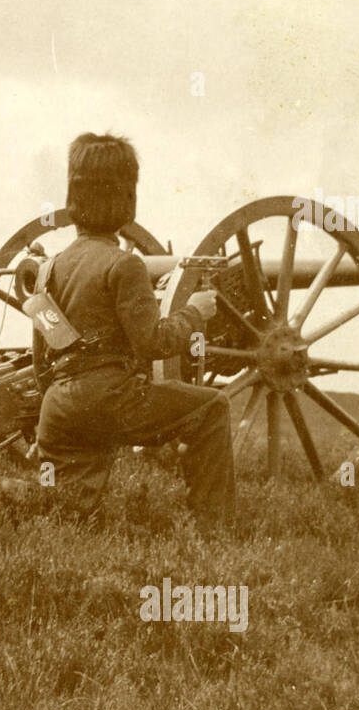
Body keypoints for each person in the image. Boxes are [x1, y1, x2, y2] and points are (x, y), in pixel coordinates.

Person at [32, 134, 236, 527]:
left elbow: (44, 353)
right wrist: (195, 313)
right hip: (109, 403)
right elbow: (153, 343)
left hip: (58, 409)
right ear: (125, 200)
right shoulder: (125, 265)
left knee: (65, 513)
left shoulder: (49, 268)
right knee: (213, 407)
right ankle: (215, 533)